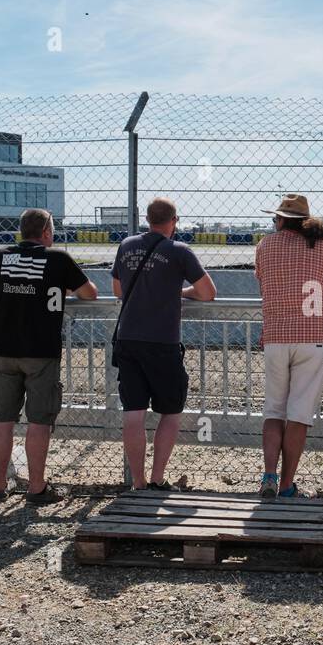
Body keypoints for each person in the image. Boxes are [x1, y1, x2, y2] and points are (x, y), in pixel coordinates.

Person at [0, 208, 98, 503]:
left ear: (22, 231)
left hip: (2, 349)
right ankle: (36, 488)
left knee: (2, 419)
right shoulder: (58, 259)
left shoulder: (0, 256)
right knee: (38, 420)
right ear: (47, 232)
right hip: (40, 351)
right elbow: (90, 293)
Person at [111, 197, 216, 491]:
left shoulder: (127, 245)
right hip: (161, 341)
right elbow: (208, 292)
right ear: (174, 221)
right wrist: (180, 293)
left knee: (133, 411)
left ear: (147, 219)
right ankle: (157, 478)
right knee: (170, 411)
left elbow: (117, 289)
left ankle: (138, 482)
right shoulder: (179, 251)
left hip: (128, 338)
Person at [254, 193, 323, 499]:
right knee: (298, 415)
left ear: (280, 220)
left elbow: (263, 282)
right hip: (311, 337)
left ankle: (268, 474)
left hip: (276, 336)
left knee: (273, 411)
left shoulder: (265, 246)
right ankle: (287, 486)